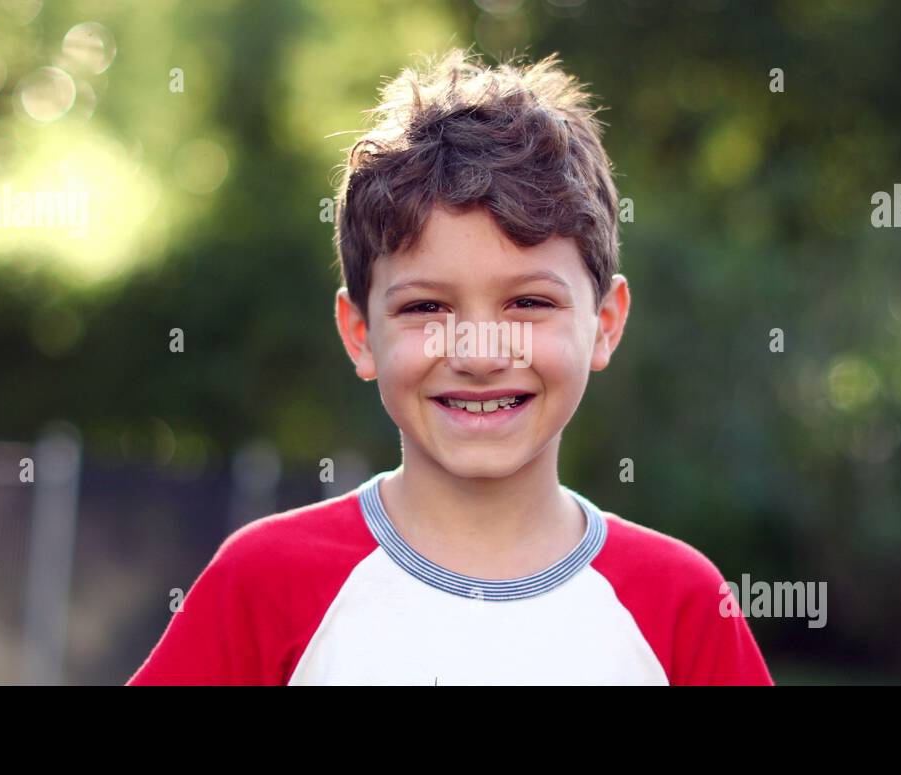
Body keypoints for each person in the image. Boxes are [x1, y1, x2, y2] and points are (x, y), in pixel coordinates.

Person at [128, 48, 772, 685]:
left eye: (528, 302)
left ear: (604, 323)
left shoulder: (683, 605)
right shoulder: (264, 583)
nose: (480, 353)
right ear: (360, 334)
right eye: (427, 307)